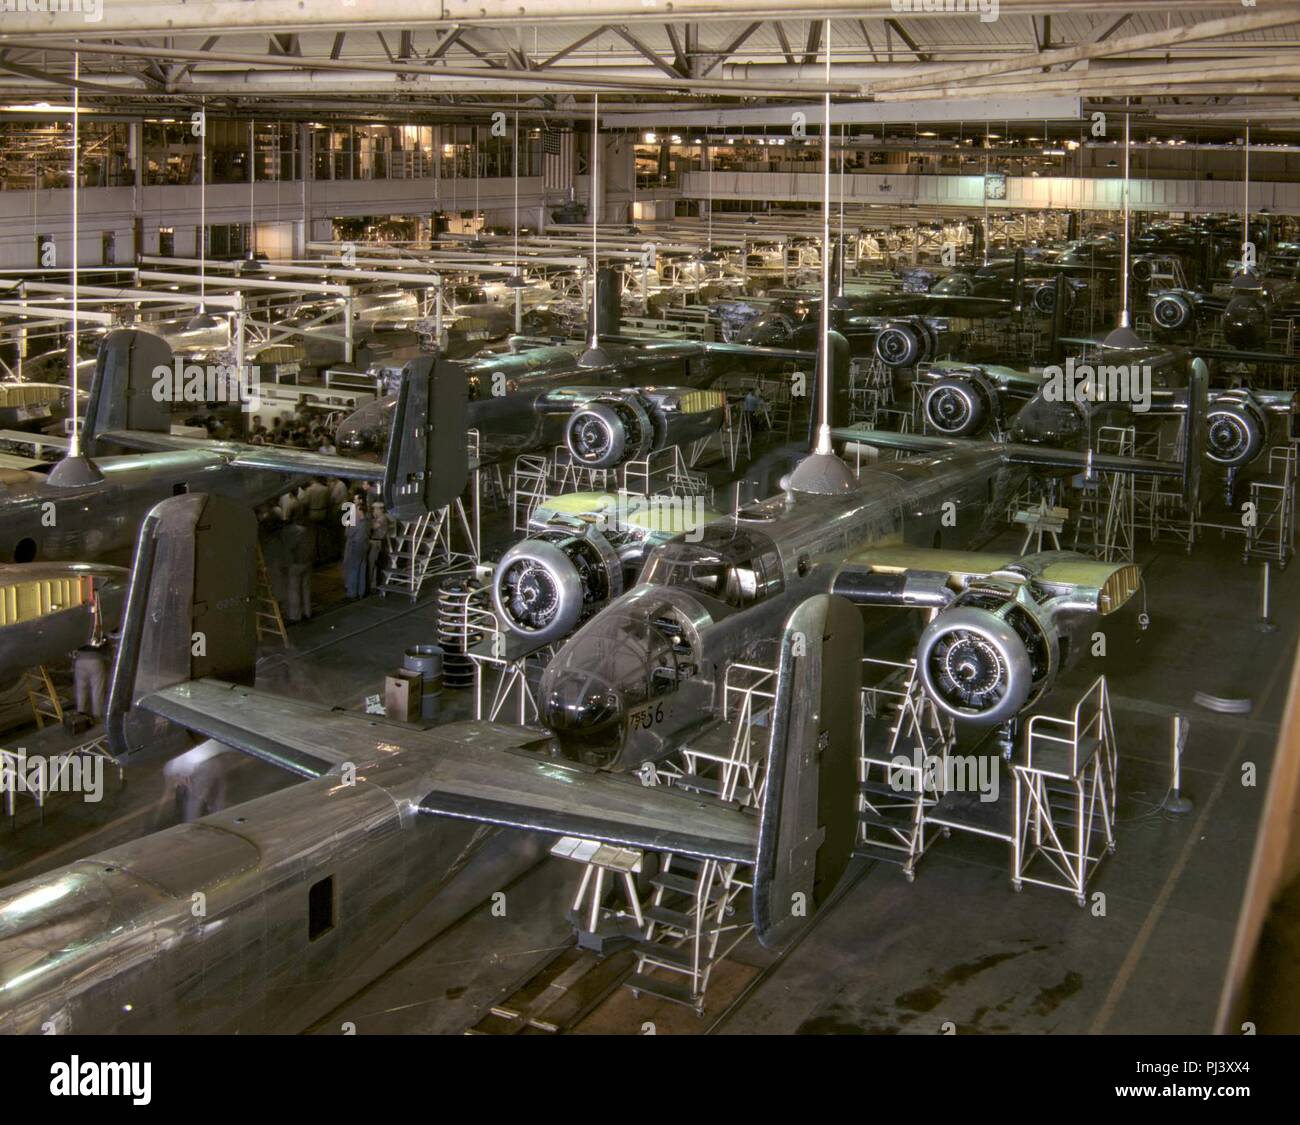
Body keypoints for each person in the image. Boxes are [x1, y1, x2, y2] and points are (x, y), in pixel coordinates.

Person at [282, 512, 315, 622]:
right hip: (307, 562)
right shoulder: (308, 531)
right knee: (306, 589)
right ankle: (308, 611)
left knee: (294, 590)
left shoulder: (291, 531)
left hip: (295, 564)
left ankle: (295, 615)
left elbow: (289, 548)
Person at [72, 640, 112, 720]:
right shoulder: (97, 629)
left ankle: (81, 710)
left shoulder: (79, 632)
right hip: (95, 659)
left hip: (79, 660)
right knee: (97, 689)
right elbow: (104, 643)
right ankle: (97, 713)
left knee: (81, 688)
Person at [342, 494, 370, 599]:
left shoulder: (354, 518)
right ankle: (361, 592)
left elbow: (348, 533)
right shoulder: (367, 517)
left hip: (355, 545)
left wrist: (348, 526)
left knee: (353, 569)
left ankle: (352, 593)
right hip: (365, 544)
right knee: (362, 568)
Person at [367, 500, 390, 592]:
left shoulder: (382, 518)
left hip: (377, 542)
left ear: (380, 510)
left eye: (375, 509)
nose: (374, 511)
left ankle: (373, 585)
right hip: (375, 542)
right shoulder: (377, 518)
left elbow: (373, 527)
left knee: (372, 563)